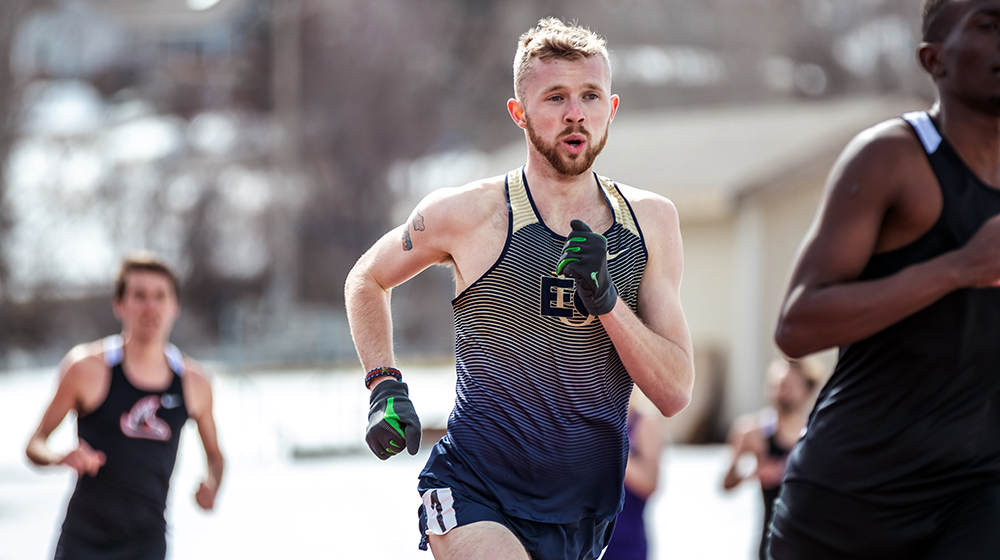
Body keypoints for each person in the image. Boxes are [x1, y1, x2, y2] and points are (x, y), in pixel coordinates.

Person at [344, 17, 694, 560]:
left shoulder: (650, 222)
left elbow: (674, 391)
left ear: (611, 110)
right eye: (555, 97)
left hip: (584, 509)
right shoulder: (467, 213)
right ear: (519, 113)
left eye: (589, 96)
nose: (575, 112)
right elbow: (367, 277)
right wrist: (383, 384)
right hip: (472, 488)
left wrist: (607, 301)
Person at [769, 0, 1000, 558]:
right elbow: (797, 325)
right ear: (934, 59)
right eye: (990, 26)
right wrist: (959, 268)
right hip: (852, 498)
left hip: (978, 489)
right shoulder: (890, 158)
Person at [26, 253, 224, 560]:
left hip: (146, 543)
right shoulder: (86, 368)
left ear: (175, 307)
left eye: (160, 296)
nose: (150, 306)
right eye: (139, 296)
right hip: (84, 541)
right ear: (120, 305)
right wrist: (61, 457)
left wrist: (212, 484)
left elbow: (215, 456)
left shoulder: (194, 382)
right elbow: (34, 444)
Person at [722, 359, 819, 560]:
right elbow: (726, 483)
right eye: (776, 385)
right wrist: (753, 473)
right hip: (771, 538)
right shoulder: (752, 432)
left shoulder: (817, 433)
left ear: (806, 390)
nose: (781, 391)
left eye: (788, 386)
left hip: (812, 539)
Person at [601, 392, 666, 560]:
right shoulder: (583, 418)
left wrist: (609, 448)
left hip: (626, 541)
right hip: (584, 540)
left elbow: (650, 484)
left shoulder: (644, 421)